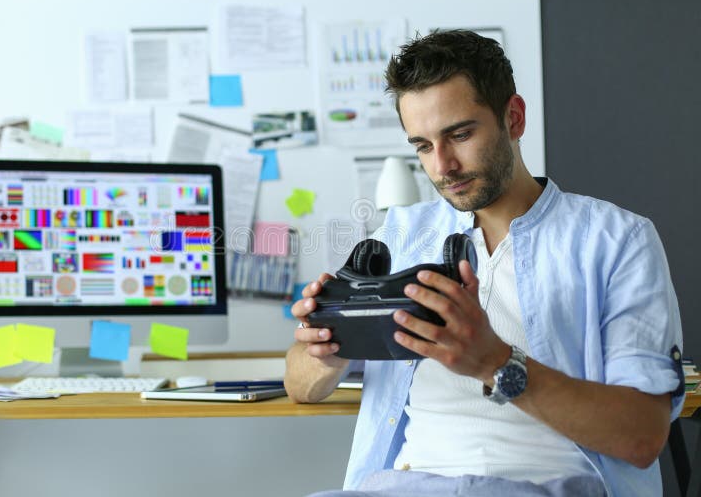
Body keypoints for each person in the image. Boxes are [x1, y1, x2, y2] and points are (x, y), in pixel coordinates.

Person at [284, 30, 683, 497]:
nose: (442, 166)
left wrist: (495, 362)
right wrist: (329, 348)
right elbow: (300, 385)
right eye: (423, 146)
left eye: (459, 134)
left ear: (513, 118)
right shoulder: (400, 235)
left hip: (544, 486)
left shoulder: (617, 241)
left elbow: (642, 437)